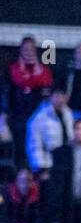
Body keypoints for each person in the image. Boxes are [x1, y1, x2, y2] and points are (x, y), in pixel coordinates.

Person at [3, 36, 54, 169]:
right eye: (25, 50)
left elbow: (46, 85)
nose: (28, 53)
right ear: (20, 51)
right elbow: (20, 83)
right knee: (19, 148)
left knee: (36, 148)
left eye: (31, 50)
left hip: (37, 116)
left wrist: (36, 72)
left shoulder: (44, 68)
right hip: (19, 117)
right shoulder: (13, 69)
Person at [26, 87, 74, 182]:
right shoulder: (39, 118)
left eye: (62, 96)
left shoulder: (68, 113)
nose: (60, 99)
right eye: (57, 96)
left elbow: (70, 135)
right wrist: (40, 168)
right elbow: (34, 144)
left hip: (67, 161)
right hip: (48, 163)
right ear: (51, 97)